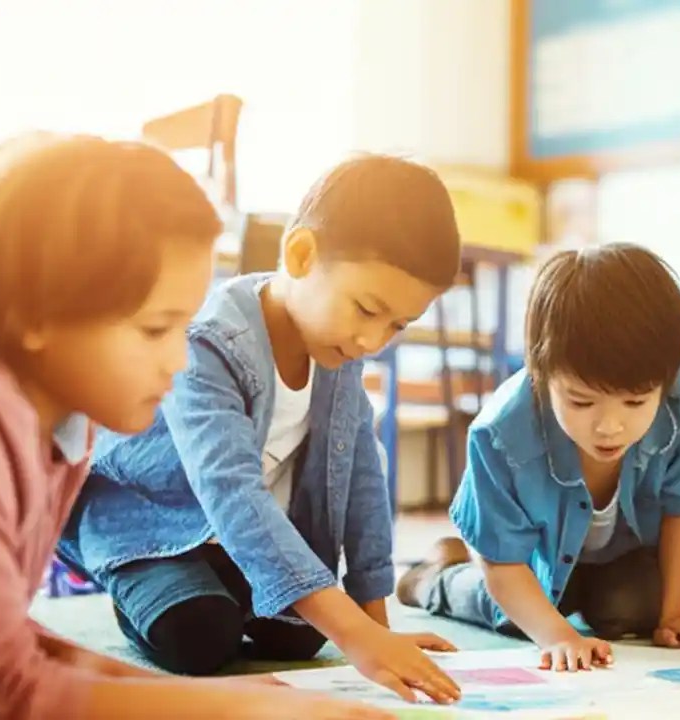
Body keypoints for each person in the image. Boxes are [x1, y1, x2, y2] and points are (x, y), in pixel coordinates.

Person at [0, 132, 390, 719]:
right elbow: (6, 694)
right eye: (156, 329)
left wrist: (197, 700)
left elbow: (10, 640)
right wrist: (244, 714)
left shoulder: (60, 418)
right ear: (36, 311)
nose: (180, 360)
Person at [58, 154, 463, 705]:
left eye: (397, 325)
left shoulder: (340, 353)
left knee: (305, 636)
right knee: (200, 634)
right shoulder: (211, 342)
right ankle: (142, 589)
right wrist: (357, 635)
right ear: (300, 255)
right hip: (155, 528)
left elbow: (364, 486)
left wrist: (376, 625)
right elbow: (230, 491)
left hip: (235, 539)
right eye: (368, 309)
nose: (373, 341)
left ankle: (234, 591)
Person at [398, 243, 680, 672]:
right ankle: (433, 577)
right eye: (581, 401)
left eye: (634, 403)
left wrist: (674, 618)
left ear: (664, 382)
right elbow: (504, 564)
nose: (609, 427)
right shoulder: (501, 434)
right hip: (529, 559)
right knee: (513, 614)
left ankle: (598, 597)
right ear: (541, 372)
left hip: (624, 553)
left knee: (634, 611)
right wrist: (555, 635)